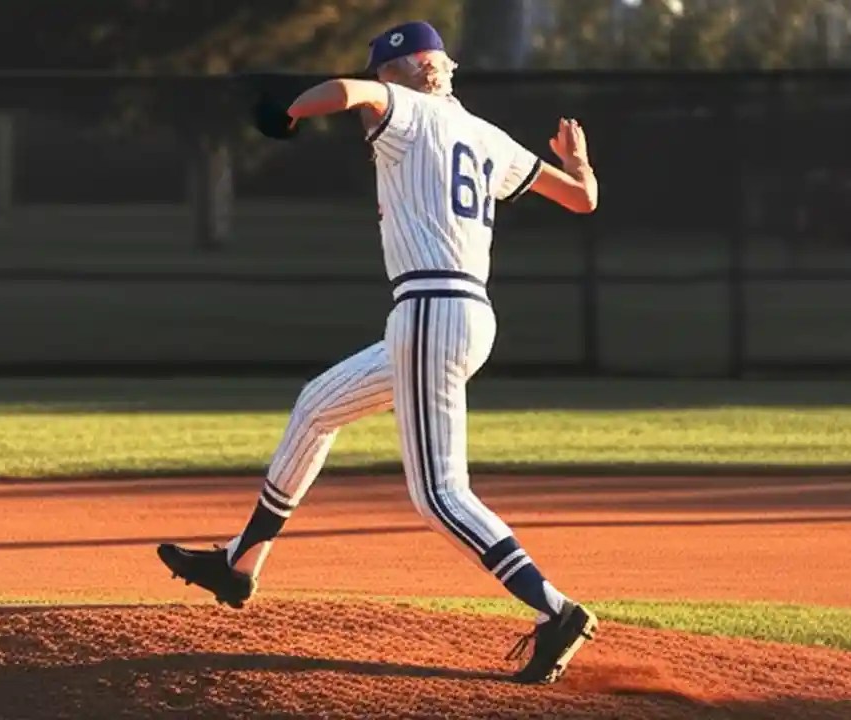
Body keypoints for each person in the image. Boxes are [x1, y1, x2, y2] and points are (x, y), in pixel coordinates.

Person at [157, 20, 600, 684]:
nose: (381, 83)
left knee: (440, 495)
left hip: (429, 311)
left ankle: (555, 610)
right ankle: (239, 563)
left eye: (386, 71)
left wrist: (289, 109)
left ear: (407, 69)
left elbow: (347, 91)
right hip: (459, 314)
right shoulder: (487, 136)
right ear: (441, 65)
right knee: (317, 408)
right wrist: (578, 156)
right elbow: (582, 198)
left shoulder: (413, 112)